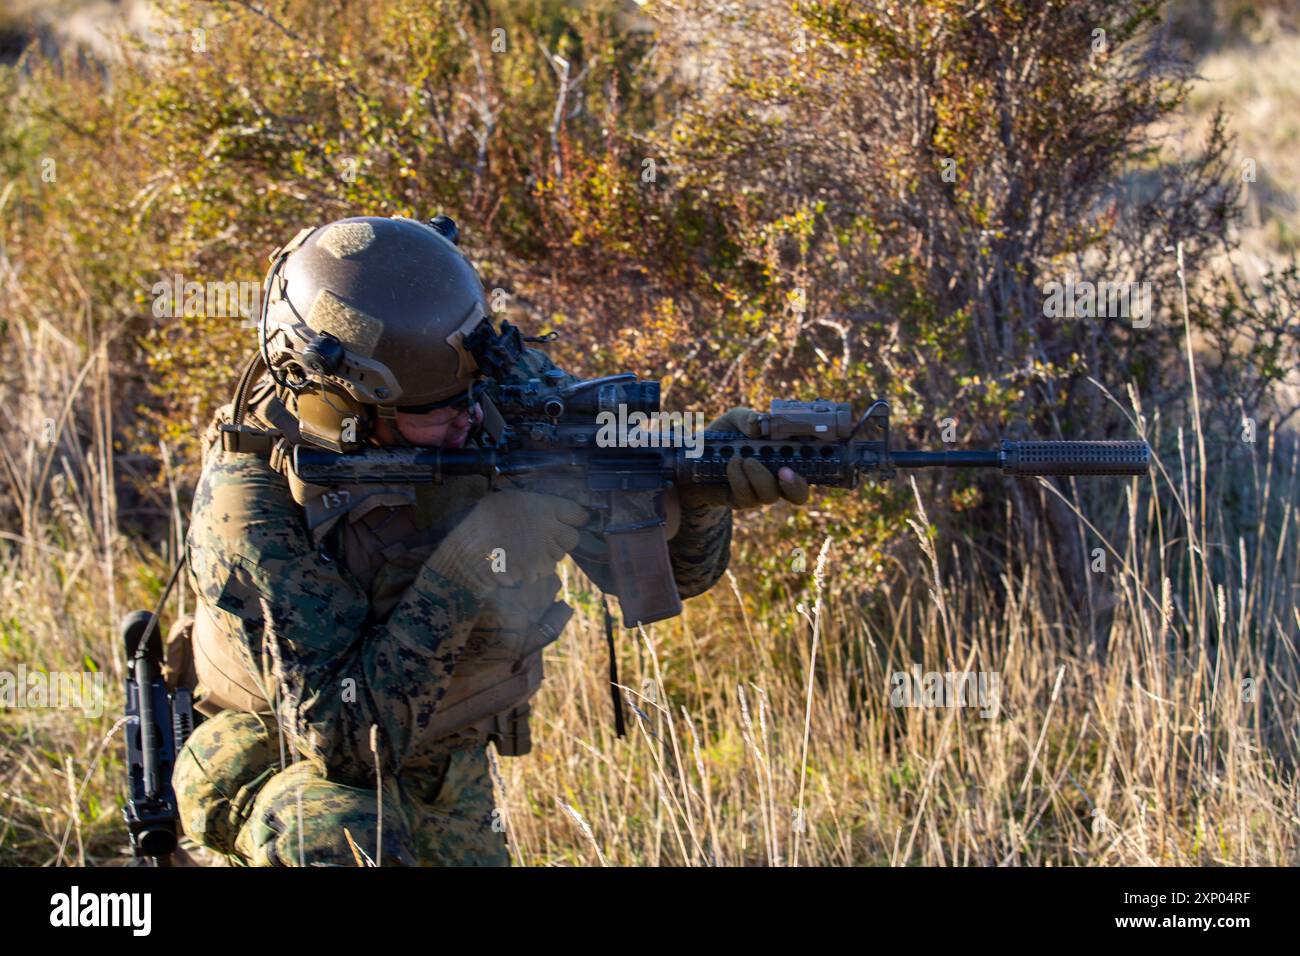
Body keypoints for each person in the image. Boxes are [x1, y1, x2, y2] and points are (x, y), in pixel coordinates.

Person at [169, 214, 808, 866]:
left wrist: (697, 489)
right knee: (345, 842)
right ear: (348, 403)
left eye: (470, 393)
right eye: (435, 411)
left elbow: (671, 571)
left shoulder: (485, 380)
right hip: (279, 759)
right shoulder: (247, 507)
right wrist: (474, 561)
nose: (469, 418)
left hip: (445, 759)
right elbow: (345, 739)